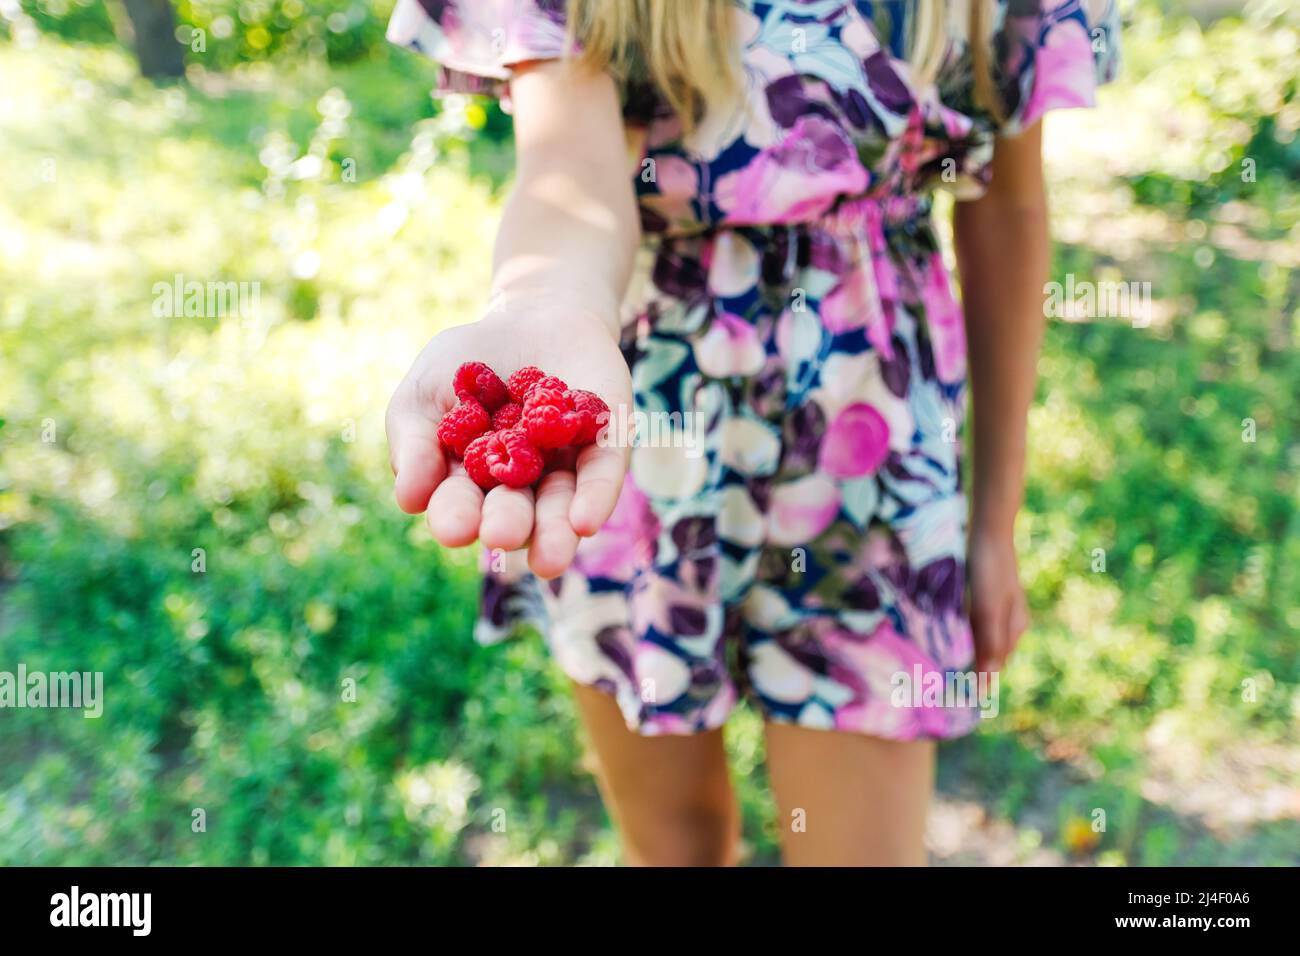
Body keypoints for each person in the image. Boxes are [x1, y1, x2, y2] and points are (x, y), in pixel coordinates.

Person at [384, 0, 1120, 866]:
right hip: (641, 440)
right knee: (677, 847)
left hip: (874, 450)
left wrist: (993, 520)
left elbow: (1010, 205)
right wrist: (542, 307)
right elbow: (570, 178)